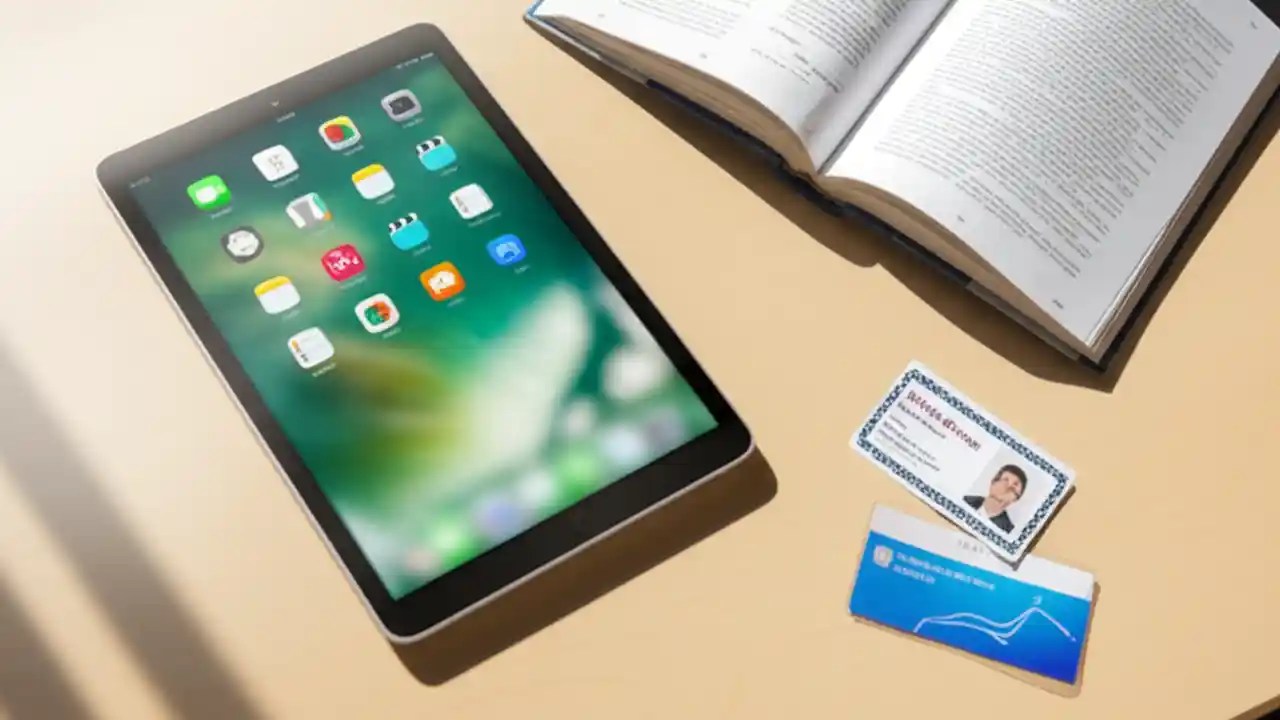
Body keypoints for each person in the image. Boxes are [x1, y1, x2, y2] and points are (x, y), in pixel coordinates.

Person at [964, 465, 1028, 534]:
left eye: (1015, 485)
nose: (1009, 486)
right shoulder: (965, 500)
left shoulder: (1007, 531)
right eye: (1005, 480)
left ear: (1016, 499)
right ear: (993, 483)